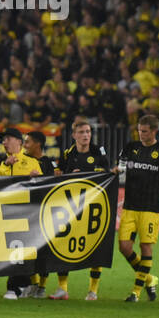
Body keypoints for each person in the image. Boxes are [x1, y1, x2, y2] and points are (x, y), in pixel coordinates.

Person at [115, 113, 159, 302]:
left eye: (144, 131)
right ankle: (150, 278)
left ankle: (136, 292)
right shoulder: (130, 148)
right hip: (129, 207)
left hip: (150, 209)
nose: (141, 134)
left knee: (145, 248)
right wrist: (115, 170)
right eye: (139, 131)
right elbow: (120, 169)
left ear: (154, 131)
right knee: (124, 247)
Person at [57, 119, 110, 300]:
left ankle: (93, 290)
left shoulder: (98, 151)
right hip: (71, 207)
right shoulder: (67, 154)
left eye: (88, 132)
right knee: (65, 244)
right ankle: (63, 288)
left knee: (96, 246)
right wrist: (70, 177)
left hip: (93, 206)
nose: (86, 135)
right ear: (74, 135)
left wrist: (87, 175)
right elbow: (57, 178)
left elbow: (106, 173)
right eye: (81, 132)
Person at [0, 127, 43, 299]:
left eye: (7, 139)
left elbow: (43, 186)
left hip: (27, 214)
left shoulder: (31, 162)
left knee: (19, 248)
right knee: (11, 249)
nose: (4, 142)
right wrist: (6, 166)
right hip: (5, 212)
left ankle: (14, 287)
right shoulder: (0, 162)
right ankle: (24, 284)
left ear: (19, 142)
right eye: (3, 139)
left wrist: (36, 178)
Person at [23, 130, 59, 298]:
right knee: (27, 250)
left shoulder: (47, 164)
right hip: (26, 212)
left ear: (37, 144)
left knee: (43, 251)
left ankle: (42, 287)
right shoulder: (23, 161)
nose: (25, 144)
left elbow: (52, 187)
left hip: (43, 214)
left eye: (28, 142)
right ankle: (33, 283)